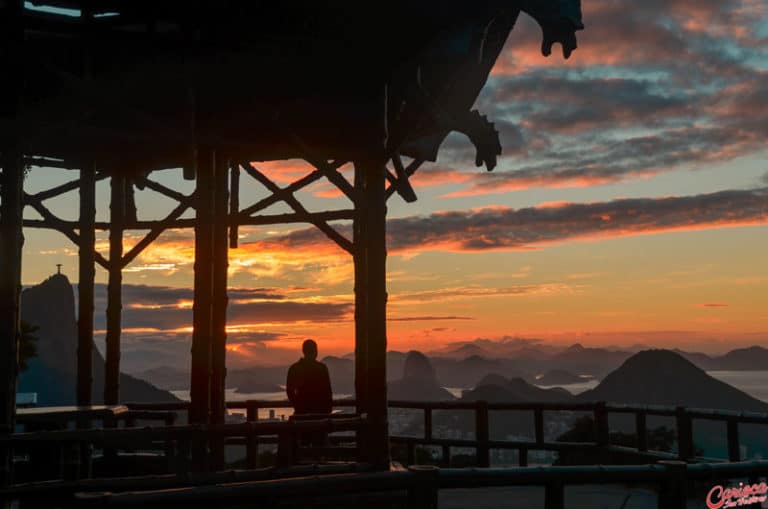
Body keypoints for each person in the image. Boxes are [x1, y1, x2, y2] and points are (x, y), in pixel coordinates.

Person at [286, 339, 333, 415]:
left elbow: (290, 391)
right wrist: (327, 410)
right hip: (320, 413)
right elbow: (328, 391)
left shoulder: (294, 368)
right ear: (315, 351)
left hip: (301, 413)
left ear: (303, 351)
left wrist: (298, 406)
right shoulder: (321, 368)